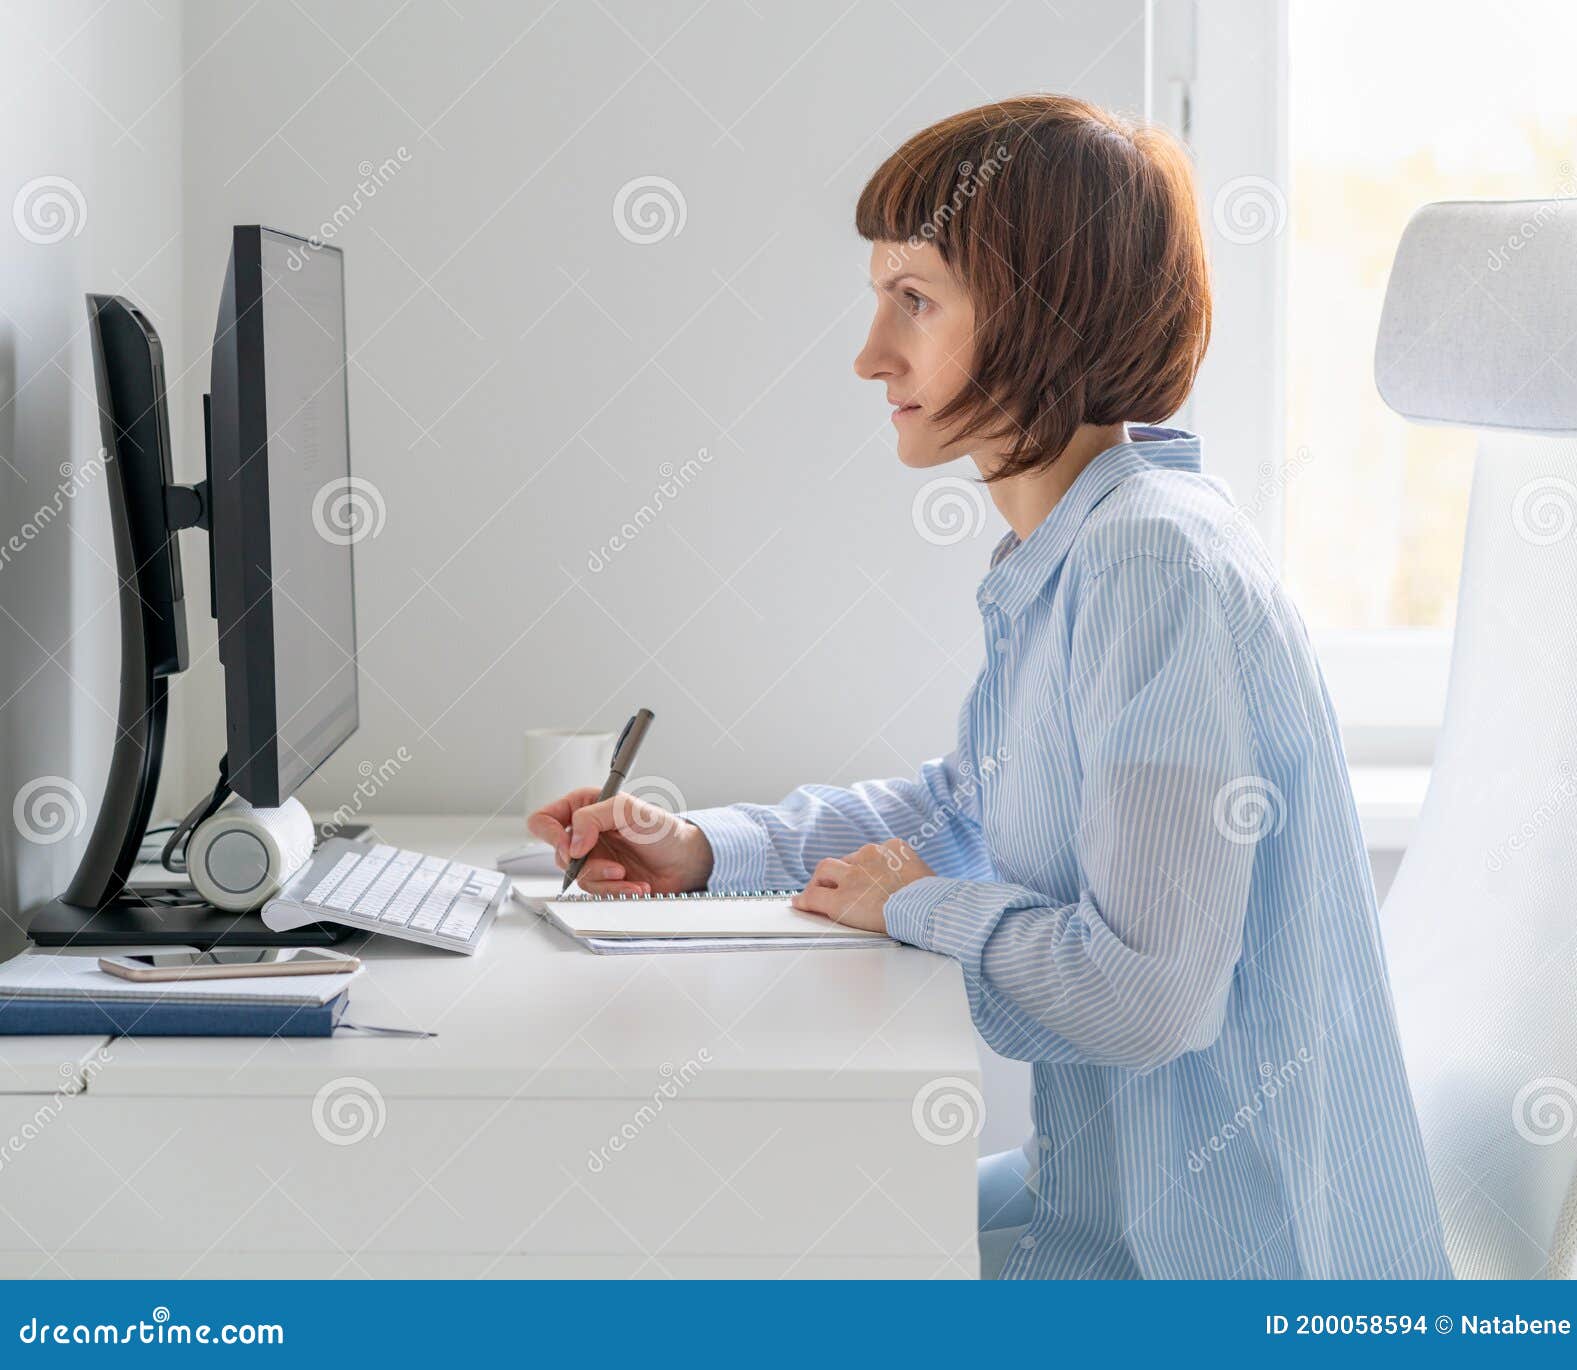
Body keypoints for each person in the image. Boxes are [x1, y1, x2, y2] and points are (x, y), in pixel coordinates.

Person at [530, 95, 1451, 1280]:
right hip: (1117, 1210)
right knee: (757, 1241)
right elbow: (966, 812)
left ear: (1041, 314)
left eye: (914, 299)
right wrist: (703, 848)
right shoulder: (1075, 550)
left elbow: (1146, 998)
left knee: (707, 1267)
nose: (870, 353)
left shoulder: (1146, 564)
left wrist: (915, 903)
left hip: (1229, 1268)